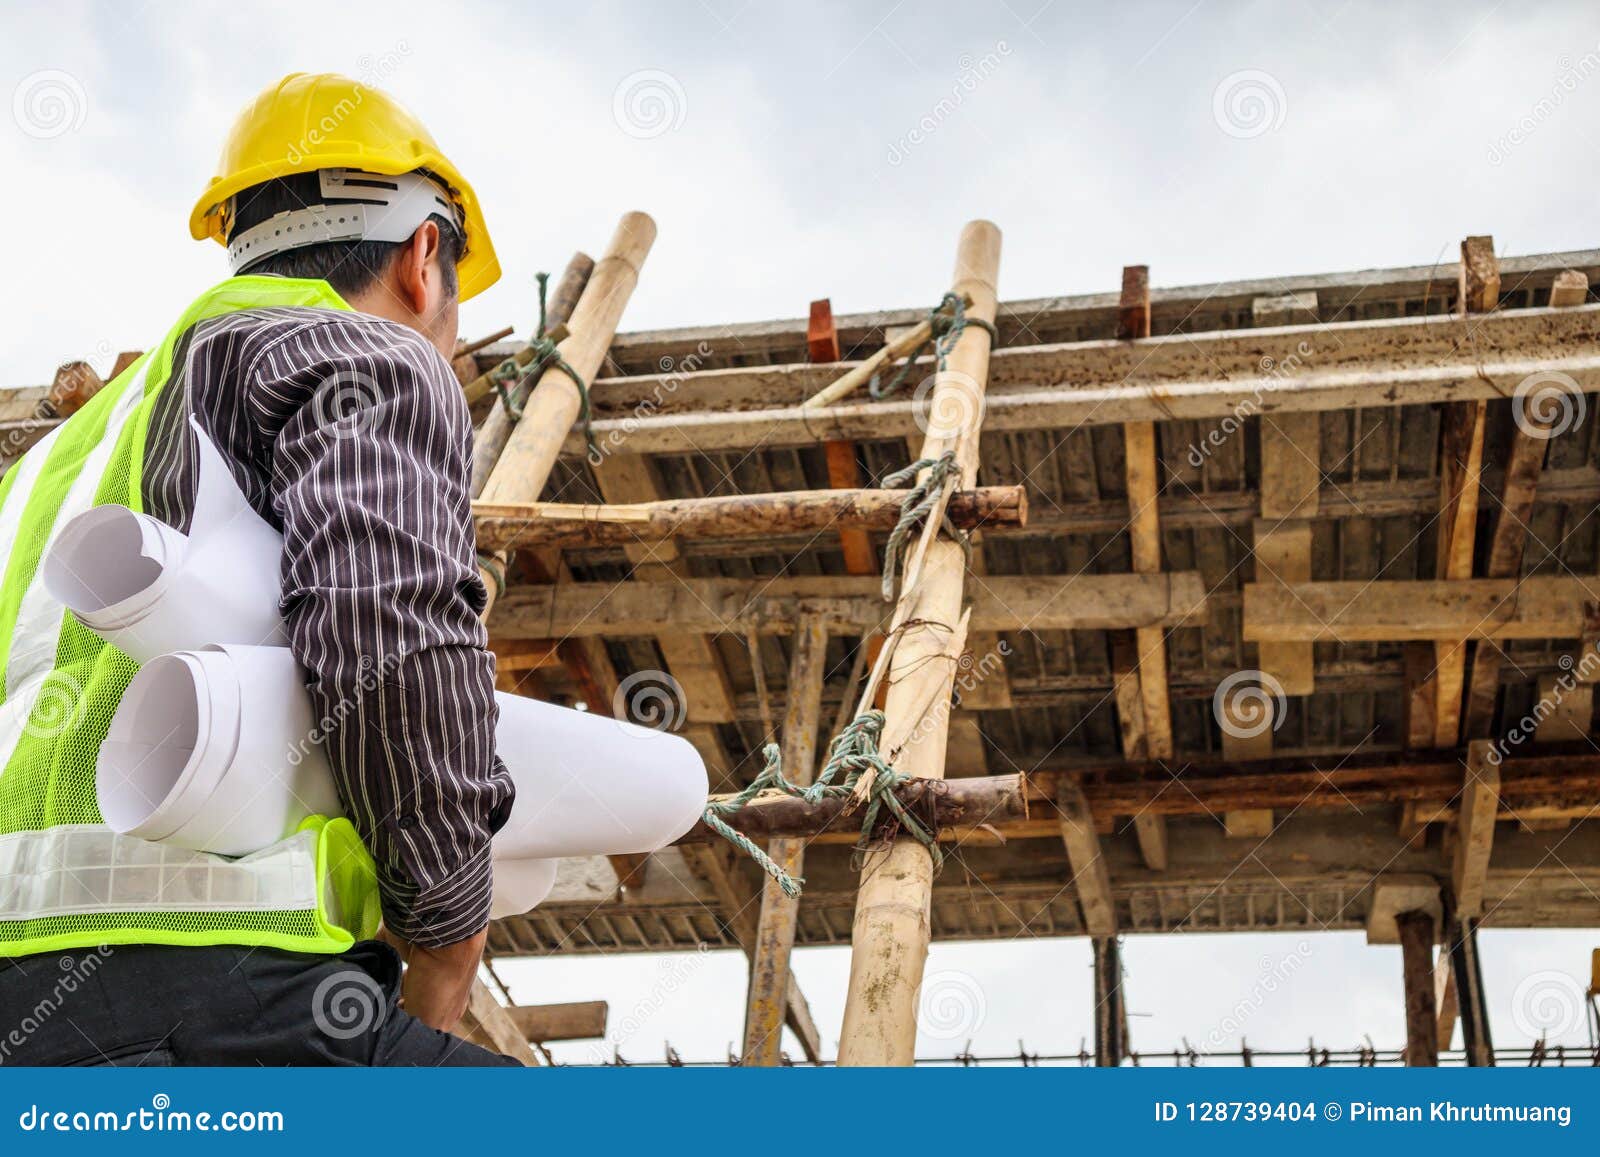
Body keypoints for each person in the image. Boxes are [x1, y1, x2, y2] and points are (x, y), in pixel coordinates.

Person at [0, 73, 518, 1066]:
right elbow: (388, 630)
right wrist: (446, 929)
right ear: (423, 259)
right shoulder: (362, 352)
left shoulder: (48, 466)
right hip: (211, 987)